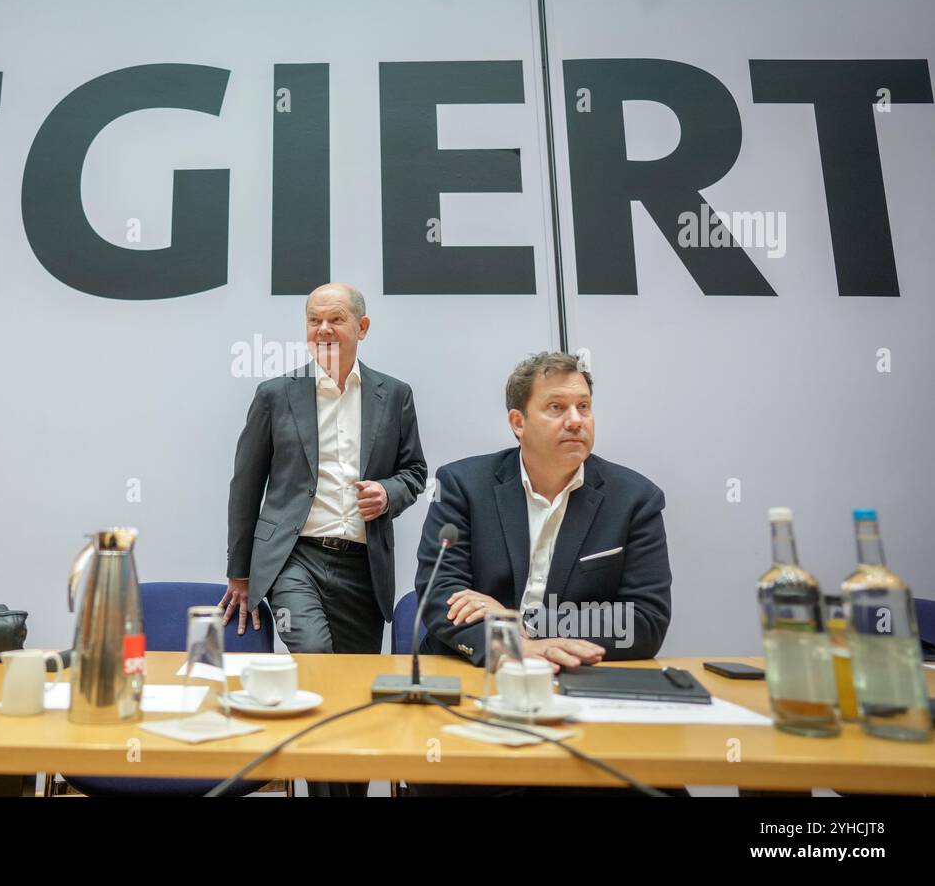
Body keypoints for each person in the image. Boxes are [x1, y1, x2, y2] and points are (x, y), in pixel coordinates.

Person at [409, 351, 675, 796]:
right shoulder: (463, 485)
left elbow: (645, 621)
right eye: (556, 408)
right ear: (518, 421)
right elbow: (440, 596)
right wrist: (518, 649)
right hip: (482, 689)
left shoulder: (635, 499)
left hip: (584, 696)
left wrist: (517, 626)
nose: (575, 420)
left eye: (583, 407)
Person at [221, 283, 426, 797]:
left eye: (335, 319)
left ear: (362, 327)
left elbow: (416, 472)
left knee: (354, 695)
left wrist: (389, 492)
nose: (323, 330)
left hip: (362, 564)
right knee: (313, 661)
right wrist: (239, 572)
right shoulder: (275, 393)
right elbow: (246, 484)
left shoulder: (393, 394)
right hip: (294, 558)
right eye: (314, 320)